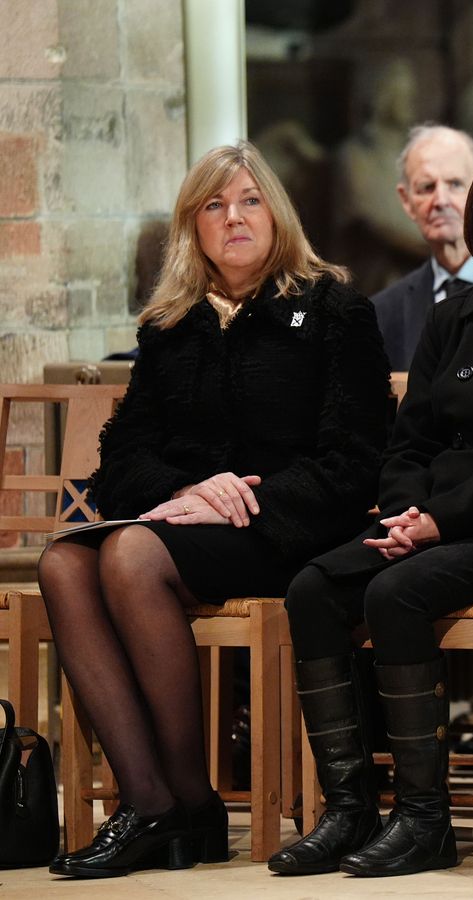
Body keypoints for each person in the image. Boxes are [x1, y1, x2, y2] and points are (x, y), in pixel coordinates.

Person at [35, 141, 392, 878]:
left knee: (131, 555)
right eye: (214, 205)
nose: (234, 218)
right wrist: (188, 492)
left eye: (250, 201)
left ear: (277, 215)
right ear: (192, 226)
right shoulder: (172, 327)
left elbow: (354, 464)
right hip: (190, 525)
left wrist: (247, 496)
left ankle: (190, 804)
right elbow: (123, 458)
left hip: (294, 528)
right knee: (64, 562)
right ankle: (149, 803)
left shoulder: (333, 310)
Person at [271, 149, 473, 878]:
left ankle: (425, 819)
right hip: (429, 519)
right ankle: (348, 808)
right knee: (312, 590)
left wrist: (438, 522)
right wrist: (403, 514)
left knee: (396, 595)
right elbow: (410, 436)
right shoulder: (455, 315)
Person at [371, 123, 473, 370]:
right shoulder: (383, 313)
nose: (440, 200)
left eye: (455, 184)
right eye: (427, 187)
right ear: (407, 201)